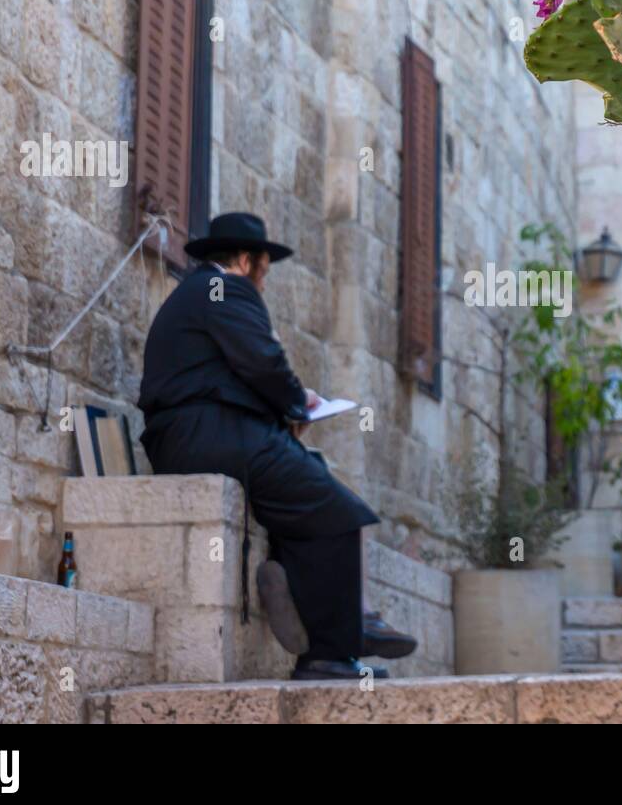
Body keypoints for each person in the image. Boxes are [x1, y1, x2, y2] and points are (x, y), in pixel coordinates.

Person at [138, 212, 417, 680]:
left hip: (193, 436)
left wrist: (283, 415)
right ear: (246, 261)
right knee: (338, 509)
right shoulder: (227, 288)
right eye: (264, 272)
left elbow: (229, 378)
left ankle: (295, 589)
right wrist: (296, 405)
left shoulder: (202, 291)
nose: (263, 285)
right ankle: (333, 646)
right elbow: (264, 363)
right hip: (206, 436)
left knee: (310, 477)